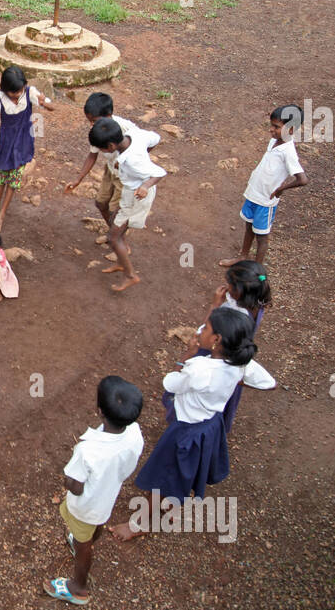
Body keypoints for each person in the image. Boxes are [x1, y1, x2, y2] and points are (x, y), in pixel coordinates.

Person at [111, 308, 276, 540]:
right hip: (210, 426)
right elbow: (269, 383)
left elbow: (170, 382)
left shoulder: (200, 370)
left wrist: (187, 356)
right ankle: (172, 505)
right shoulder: (240, 363)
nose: (200, 331)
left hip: (186, 431)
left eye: (206, 328)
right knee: (185, 471)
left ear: (217, 340)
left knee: (163, 476)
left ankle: (140, 524)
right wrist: (232, 381)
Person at [43, 376, 144, 605]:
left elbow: (75, 487)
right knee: (94, 525)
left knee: (82, 542)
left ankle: (78, 587)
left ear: (99, 411)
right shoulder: (134, 433)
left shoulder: (88, 450)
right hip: (106, 498)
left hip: (85, 508)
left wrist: (67, 481)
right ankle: (86, 541)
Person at [183, 260, 272, 433]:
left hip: (214, 356)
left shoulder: (233, 314)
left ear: (238, 291)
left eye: (229, 285)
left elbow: (207, 330)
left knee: (199, 390)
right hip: (226, 359)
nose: (226, 286)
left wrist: (214, 305)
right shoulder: (255, 302)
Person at [65, 92, 160, 246]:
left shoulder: (127, 129)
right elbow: (92, 155)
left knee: (117, 213)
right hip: (110, 172)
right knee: (101, 203)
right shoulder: (99, 130)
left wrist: (134, 159)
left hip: (126, 178)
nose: (91, 125)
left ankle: (119, 240)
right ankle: (114, 235)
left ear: (108, 115)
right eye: (89, 121)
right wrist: (78, 179)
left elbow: (151, 142)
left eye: (94, 121)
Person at [218, 105, 308, 267]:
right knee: (249, 227)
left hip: (266, 201)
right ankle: (243, 256)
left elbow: (302, 179)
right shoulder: (274, 141)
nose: (271, 130)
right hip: (254, 193)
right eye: (271, 125)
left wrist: (281, 189)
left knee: (262, 237)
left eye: (276, 127)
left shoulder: (288, 151)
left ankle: (256, 271)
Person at [89, 117, 167, 293]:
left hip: (137, 196)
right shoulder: (133, 135)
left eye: (102, 150)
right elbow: (156, 138)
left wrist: (145, 186)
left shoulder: (133, 160)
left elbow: (160, 173)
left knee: (113, 237)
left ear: (110, 147)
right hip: (129, 192)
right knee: (115, 226)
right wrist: (144, 154)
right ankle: (120, 262)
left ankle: (131, 275)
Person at [0, 65, 54, 232]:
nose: (17, 94)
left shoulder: (29, 92)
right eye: (13, 92)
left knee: (14, 179)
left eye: (19, 90)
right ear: (5, 89)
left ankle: (2, 214)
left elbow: (52, 107)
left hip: (23, 143)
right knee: (1, 178)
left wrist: (44, 101)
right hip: (6, 144)